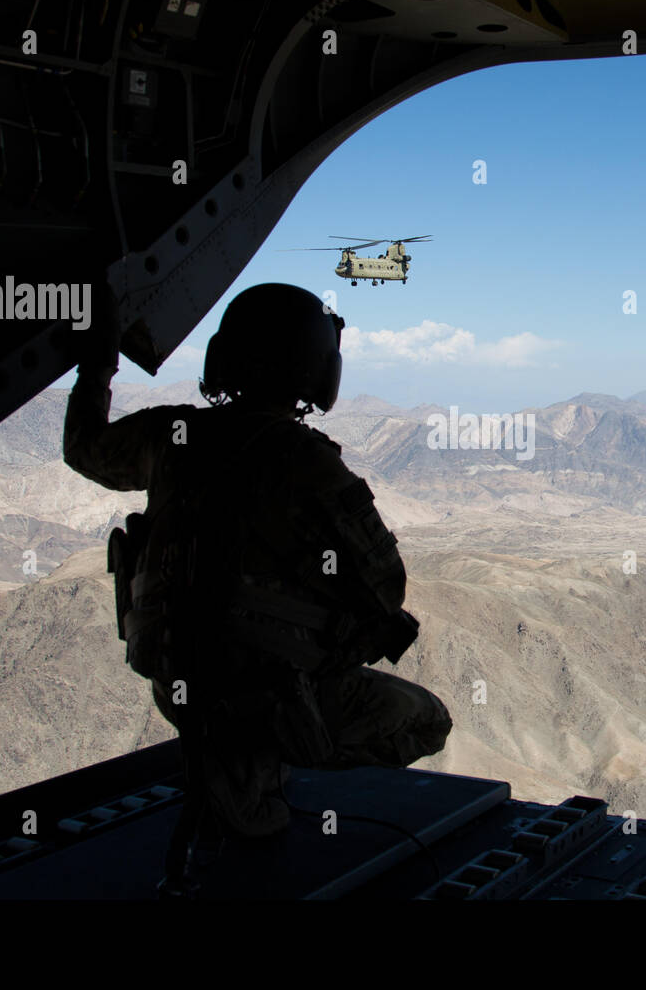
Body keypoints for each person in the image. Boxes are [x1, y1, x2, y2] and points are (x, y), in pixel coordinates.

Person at [63, 283, 452, 865]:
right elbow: (384, 586)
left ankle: (240, 766)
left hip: (175, 679)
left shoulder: (173, 436)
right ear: (319, 370)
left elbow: (83, 448)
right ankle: (266, 757)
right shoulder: (309, 462)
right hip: (268, 693)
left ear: (225, 356)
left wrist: (96, 366)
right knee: (429, 722)